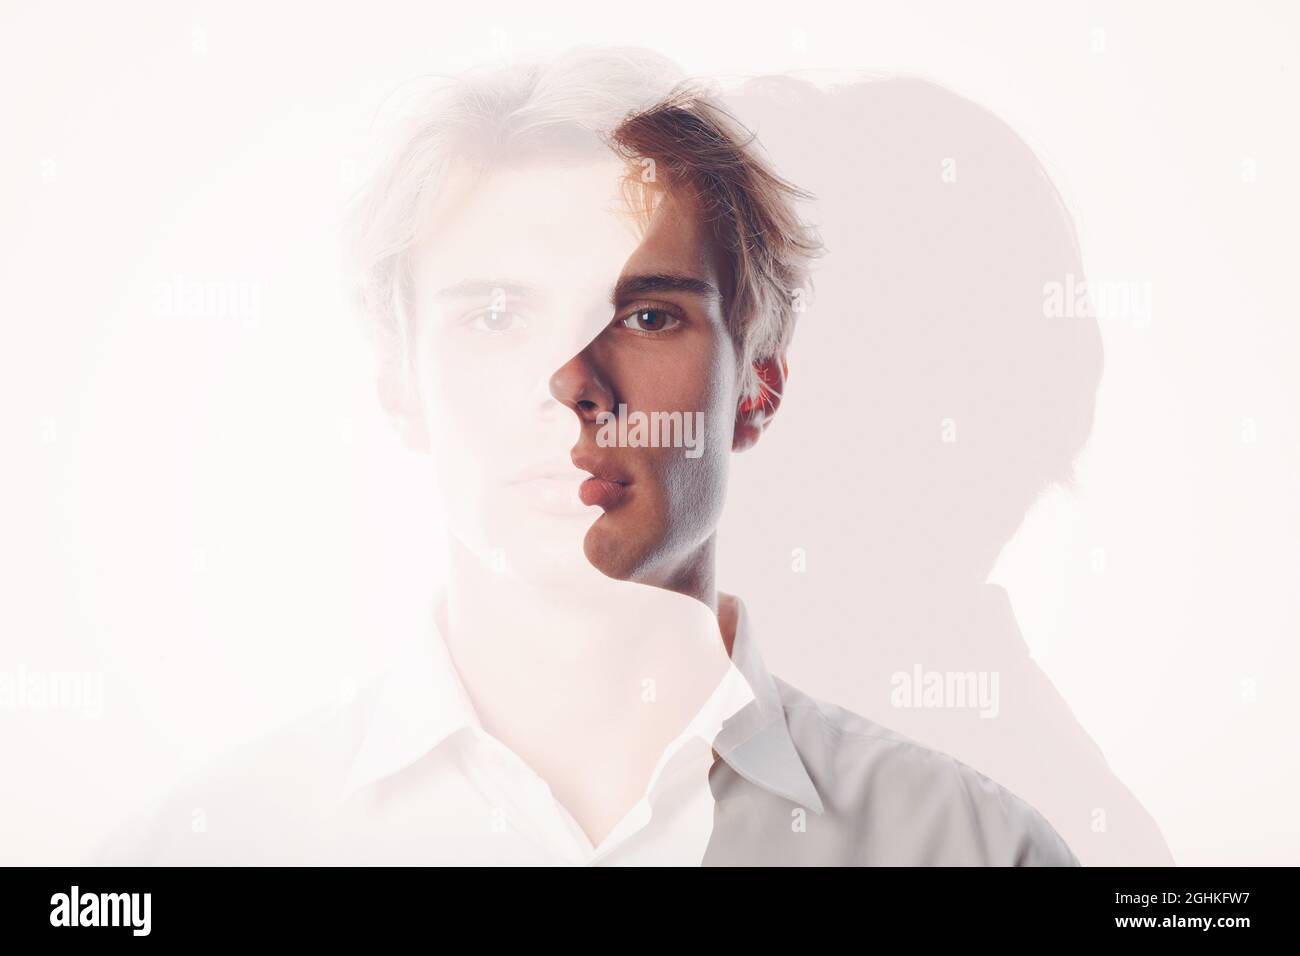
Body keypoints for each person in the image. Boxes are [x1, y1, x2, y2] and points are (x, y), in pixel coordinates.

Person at [92, 47, 1079, 866]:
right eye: (495, 313)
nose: (572, 382)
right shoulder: (192, 853)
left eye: (647, 314)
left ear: (756, 386)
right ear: (400, 387)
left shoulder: (976, 850)